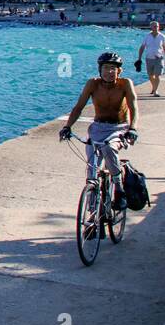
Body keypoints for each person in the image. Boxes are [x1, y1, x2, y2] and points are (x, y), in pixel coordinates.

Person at [59, 52, 140, 212]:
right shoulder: (92, 84)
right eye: (105, 68)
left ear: (119, 71)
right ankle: (92, 213)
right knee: (92, 169)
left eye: (112, 69)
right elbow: (79, 107)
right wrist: (67, 126)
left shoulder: (125, 84)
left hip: (118, 127)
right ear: (99, 69)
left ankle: (118, 189)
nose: (109, 72)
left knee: (109, 148)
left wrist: (133, 128)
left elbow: (133, 107)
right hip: (97, 128)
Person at [137, 21, 165, 96]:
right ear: (151, 27)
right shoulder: (147, 36)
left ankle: (155, 91)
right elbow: (142, 47)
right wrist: (139, 58)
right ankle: (154, 87)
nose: (156, 28)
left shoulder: (162, 36)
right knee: (150, 75)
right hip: (149, 58)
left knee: (157, 75)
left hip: (159, 58)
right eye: (154, 26)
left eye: (157, 26)